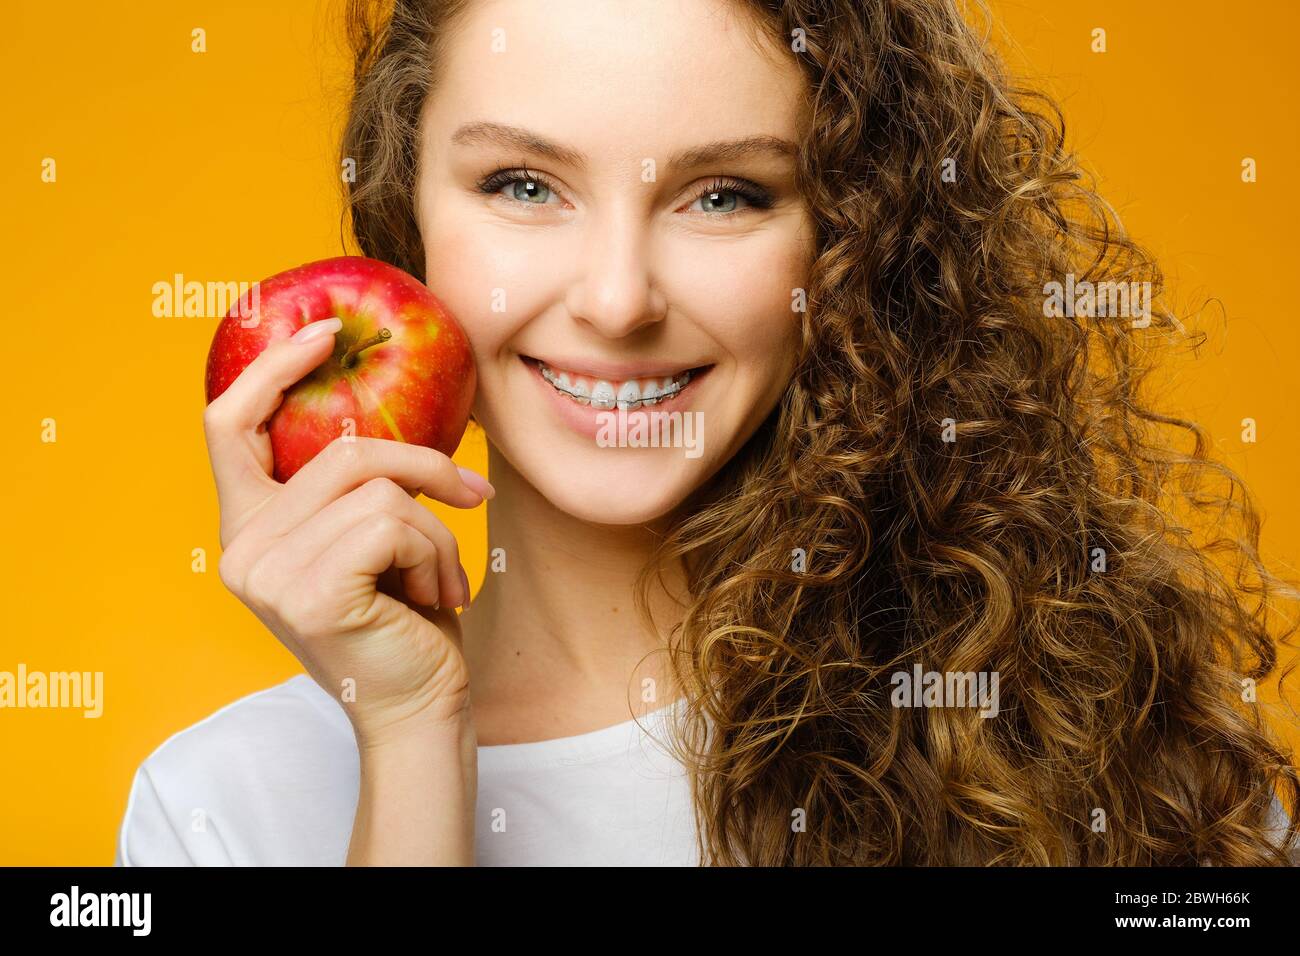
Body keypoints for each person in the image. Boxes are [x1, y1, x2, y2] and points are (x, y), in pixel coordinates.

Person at [116, 0, 1299, 866]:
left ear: (849, 240)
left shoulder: (1111, 740)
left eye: (723, 194)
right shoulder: (226, 808)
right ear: (403, 217)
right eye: (524, 185)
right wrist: (411, 730)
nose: (619, 298)